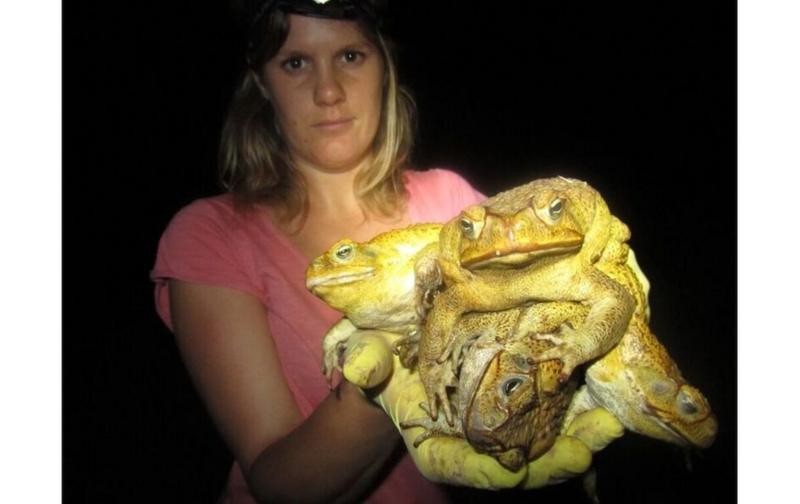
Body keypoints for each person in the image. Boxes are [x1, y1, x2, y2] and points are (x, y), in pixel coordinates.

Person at [151, 1, 621, 502]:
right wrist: (394, 376)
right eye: (295, 62)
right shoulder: (211, 234)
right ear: (262, 82)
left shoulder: (451, 205)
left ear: (385, 66)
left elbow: (554, 313)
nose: (328, 91)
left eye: (351, 56)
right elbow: (279, 486)